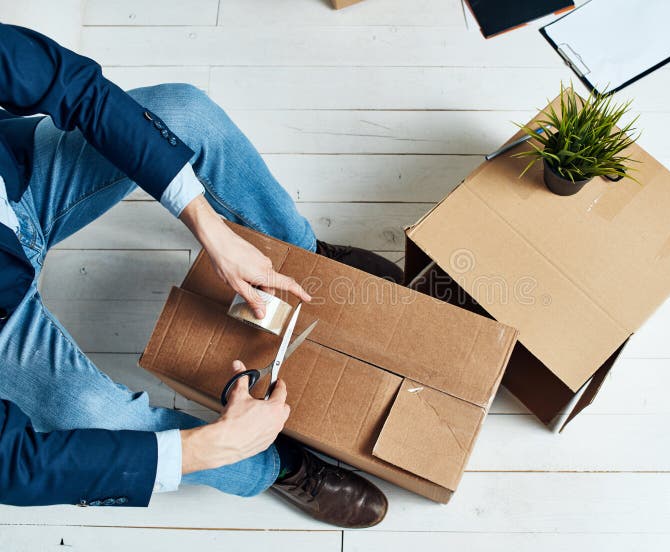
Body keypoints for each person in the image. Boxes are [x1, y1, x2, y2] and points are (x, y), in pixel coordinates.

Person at [0, 22, 401, 528]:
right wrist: (209, 446)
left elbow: (79, 89)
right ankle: (271, 464)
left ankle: (301, 253)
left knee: (186, 113)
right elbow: (12, 467)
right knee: (101, 419)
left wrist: (211, 229)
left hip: (21, 190)